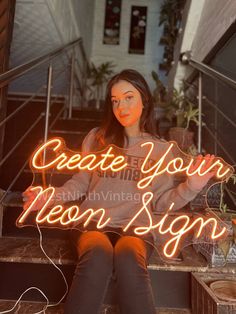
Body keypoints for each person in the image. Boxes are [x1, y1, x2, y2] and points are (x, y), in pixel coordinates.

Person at [23, 69, 216, 314]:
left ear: (144, 100)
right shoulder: (97, 138)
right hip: (92, 221)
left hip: (136, 227)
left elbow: (161, 202)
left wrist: (192, 187)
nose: (120, 106)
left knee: (128, 255)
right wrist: (50, 196)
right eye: (115, 101)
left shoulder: (162, 150)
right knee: (98, 253)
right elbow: (81, 182)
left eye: (128, 97)